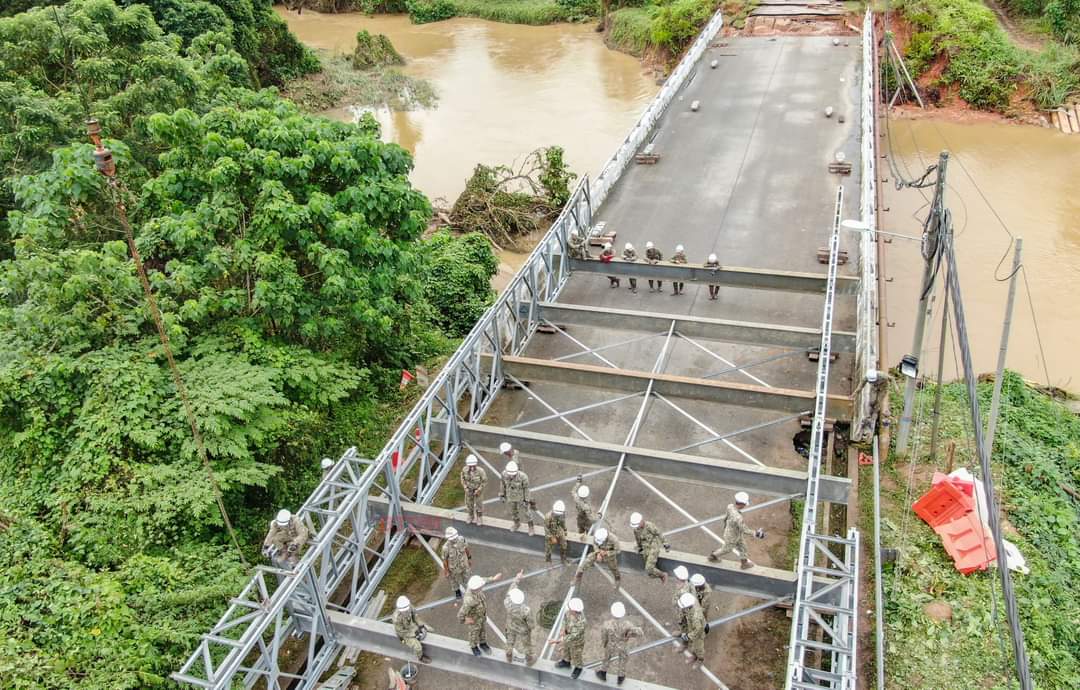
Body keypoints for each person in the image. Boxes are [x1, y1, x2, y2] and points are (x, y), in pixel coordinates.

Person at [707, 491, 766, 569]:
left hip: (734, 532)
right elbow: (744, 529)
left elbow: (725, 518)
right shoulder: (738, 517)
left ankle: (744, 564)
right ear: (742, 504)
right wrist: (756, 533)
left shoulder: (730, 506)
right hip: (731, 536)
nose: (745, 505)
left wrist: (727, 526)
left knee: (743, 547)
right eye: (745, 504)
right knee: (726, 549)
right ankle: (713, 556)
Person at [598, 601, 642, 684]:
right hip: (622, 645)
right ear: (623, 613)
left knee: (606, 659)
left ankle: (603, 673)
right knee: (623, 660)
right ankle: (620, 677)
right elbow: (639, 633)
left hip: (610, 645)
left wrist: (604, 644)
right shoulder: (627, 624)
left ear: (612, 612)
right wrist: (630, 634)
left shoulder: (606, 624)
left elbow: (604, 636)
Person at [458, 572, 502, 656]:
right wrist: (464, 620)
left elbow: (483, 580)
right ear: (476, 588)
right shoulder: (469, 600)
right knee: (474, 633)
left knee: (482, 631)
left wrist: (493, 578)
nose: (482, 586)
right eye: (481, 586)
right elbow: (461, 614)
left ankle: (483, 643)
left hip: (481, 616)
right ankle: (473, 647)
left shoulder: (475, 587)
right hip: (474, 620)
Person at [503, 571, 535, 665]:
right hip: (523, 630)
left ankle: (509, 655)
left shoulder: (507, 603)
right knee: (526, 644)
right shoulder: (526, 610)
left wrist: (517, 578)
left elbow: (509, 592)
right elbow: (531, 625)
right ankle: (529, 659)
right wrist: (530, 628)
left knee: (510, 641)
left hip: (511, 626)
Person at [392, 595, 432, 664]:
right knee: (417, 647)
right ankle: (420, 657)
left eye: (407, 610)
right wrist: (414, 634)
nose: (406, 611)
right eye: (404, 611)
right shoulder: (396, 619)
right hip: (405, 634)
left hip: (411, 626)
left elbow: (415, 617)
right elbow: (401, 632)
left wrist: (420, 625)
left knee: (429, 629)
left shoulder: (410, 607)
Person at [629, 512, 668, 581]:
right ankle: (659, 575)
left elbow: (659, 533)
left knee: (648, 568)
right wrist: (639, 547)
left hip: (653, 547)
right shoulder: (636, 529)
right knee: (650, 574)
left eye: (637, 525)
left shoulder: (649, 526)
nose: (636, 527)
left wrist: (665, 543)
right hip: (645, 549)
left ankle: (663, 575)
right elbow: (638, 539)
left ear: (641, 521)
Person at [555, 597, 587, 678]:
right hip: (567, 637)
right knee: (566, 650)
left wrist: (560, 639)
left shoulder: (582, 622)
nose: (568, 609)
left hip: (577, 642)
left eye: (570, 608)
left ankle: (578, 668)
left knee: (576, 655)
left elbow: (574, 635)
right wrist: (563, 629)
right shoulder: (568, 612)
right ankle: (566, 662)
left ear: (574, 610)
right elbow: (565, 620)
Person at [499, 461, 534, 534]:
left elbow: (526, 489)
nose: (511, 476)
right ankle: (516, 523)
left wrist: (526, 500)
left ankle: (531, 526)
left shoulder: (523, 477)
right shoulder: (504, 474)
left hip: (521, 497)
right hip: (511, 497)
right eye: (510, 475)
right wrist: (502, 494)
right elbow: (502, 484)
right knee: (513, 512)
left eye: (513, 475)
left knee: (527, 512)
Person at [440, 526, 471, 599]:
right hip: (454, 568)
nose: (454, 539)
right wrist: (446, 571)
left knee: (467, 577)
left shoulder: (461, 539)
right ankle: (457, 591)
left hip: (464, 564)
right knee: (454, 580)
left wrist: (469, 558)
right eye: (452, 538)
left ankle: (469, 589)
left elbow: (466, 548)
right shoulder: (445, 548)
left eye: (455, 537)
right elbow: (445, 560)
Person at [677, 592, 707, 666]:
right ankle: (693, 654)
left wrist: (688, 636)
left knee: (697, 647)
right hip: (690, 625)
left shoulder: (696, 616)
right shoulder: (690, 602)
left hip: (698, 632)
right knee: (691, 644)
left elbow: (698, 630)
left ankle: (700, 659)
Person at [460, 453, 487, 525]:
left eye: (473, 466)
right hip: (468, 490)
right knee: (469, 504)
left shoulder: (481, 471)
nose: (472, 468)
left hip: (478, 490)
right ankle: (471, 516)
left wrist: (479, 490)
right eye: (470, 466)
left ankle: (479, 517)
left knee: (479, 504)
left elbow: (484, 481)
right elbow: (462, 479)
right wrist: (465, 487)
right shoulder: (464, 469)